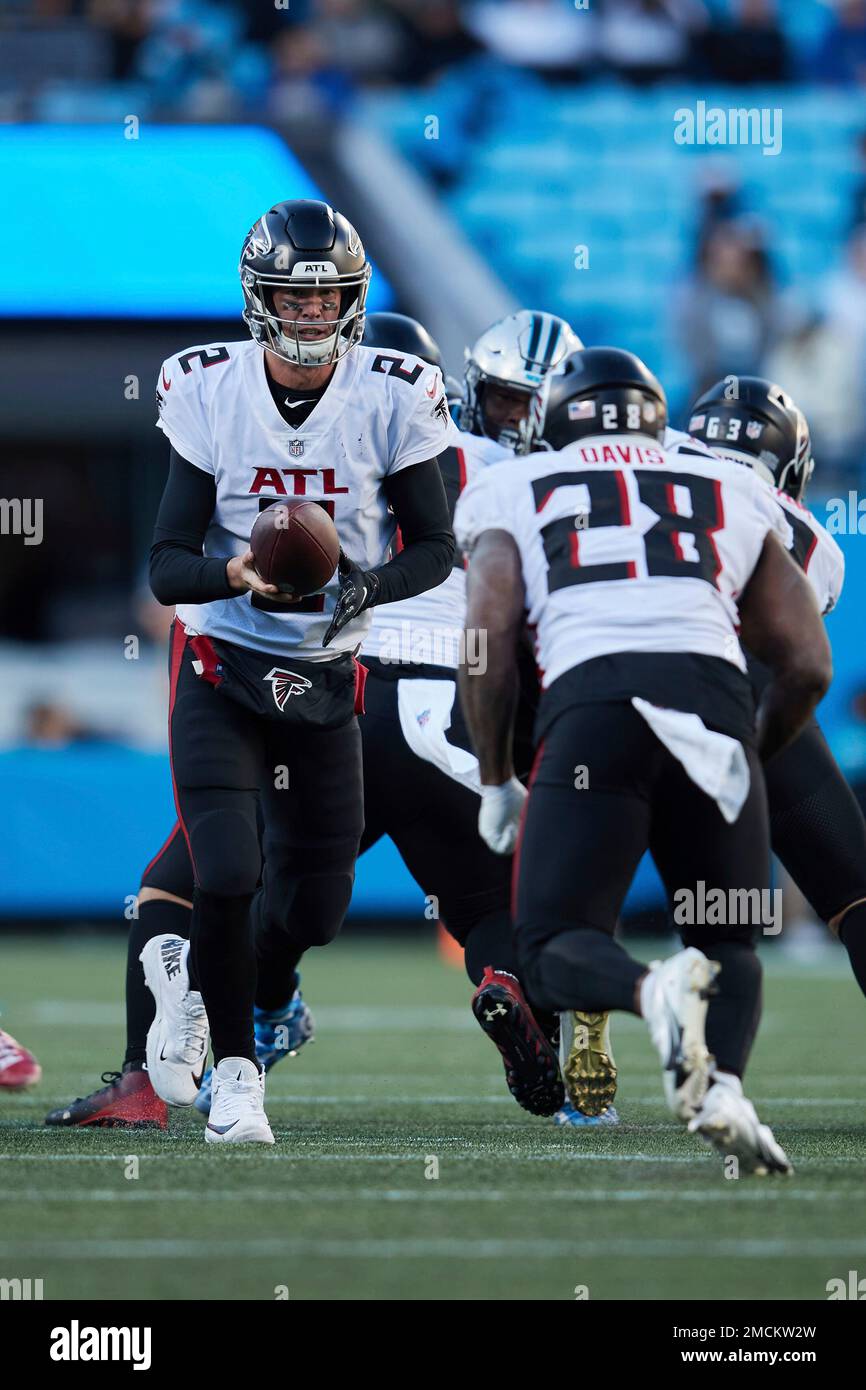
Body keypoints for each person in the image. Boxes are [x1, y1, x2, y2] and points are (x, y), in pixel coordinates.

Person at [48, 309, 597, 1132]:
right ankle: (515, 997)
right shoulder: (540, 484)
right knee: (491, 904)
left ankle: (188, 1053)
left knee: (192, 881)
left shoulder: (383, 426)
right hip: (454, 702)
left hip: (348, 681)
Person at [454, 346, 831, 1174]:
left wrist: (495, 777)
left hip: (597, 707)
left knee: (552, 947)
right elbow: (808, 664)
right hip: (717, 705)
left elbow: (486, 643)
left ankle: (645, 992)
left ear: (554, 421)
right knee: (729, 938)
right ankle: (724, 1087)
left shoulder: (514, 485)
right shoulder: (733, 487)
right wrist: (745, 758)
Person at [139, 198, 455, 1145]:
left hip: (326, 675)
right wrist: (233, 572)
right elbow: (165, 565)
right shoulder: (207, 386)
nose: (313, 318)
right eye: (295, 298)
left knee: (315, 905)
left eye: (330, 302)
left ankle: (185, 972)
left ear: (353, 303)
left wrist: (365, 588)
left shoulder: (396, 390)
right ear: (259, 297)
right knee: (229, 870)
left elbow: (435, 547)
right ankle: (236, 1076)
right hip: (220, 661)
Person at [685, 378, 866, 1000]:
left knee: (564, 910)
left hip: (609, 683)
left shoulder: (640, 468)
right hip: (741, 691)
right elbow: (797, 652)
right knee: (856, 894)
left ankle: (577, 1064)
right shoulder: (808, 533)